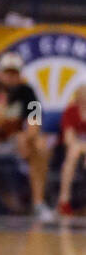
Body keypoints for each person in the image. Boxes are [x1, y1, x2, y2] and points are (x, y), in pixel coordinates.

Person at [0, 51, 52, 222]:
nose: (11, 78)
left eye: (15, 73)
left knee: (41, 145)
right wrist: (1, 104)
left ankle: (38, 203)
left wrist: (26, 137)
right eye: (7, 73)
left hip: (15, 140)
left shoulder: (28, 92)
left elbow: (36, 121)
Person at [55, 83, 86, 217]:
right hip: (71, 150)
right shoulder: (71, 111)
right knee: (73, 153)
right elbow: (69, 140)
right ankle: (64, 200)